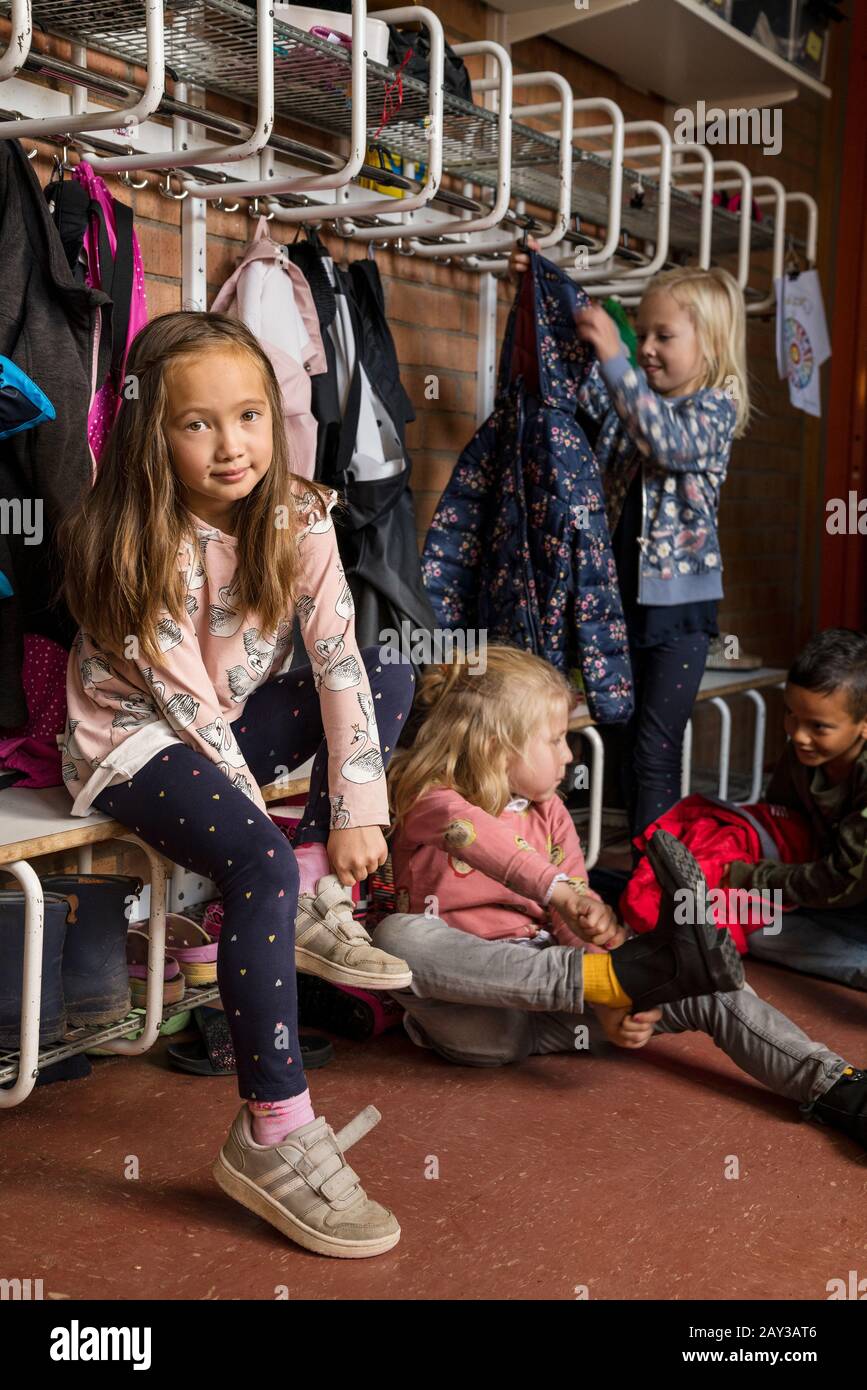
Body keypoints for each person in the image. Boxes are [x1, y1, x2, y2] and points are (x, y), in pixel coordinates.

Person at [56, 310, 415, 1258]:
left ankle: (304, 888)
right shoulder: (123, 539)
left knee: (385, 673)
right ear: (150, 435)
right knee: (260, 861)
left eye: (250, 415)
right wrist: (281, 851)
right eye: (197, 424)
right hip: (133, 741)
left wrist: (355, 816)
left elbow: (336, 659)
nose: (232, 446)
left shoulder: (297, 514)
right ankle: (275, 1130)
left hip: (217, 728)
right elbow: (186, 710)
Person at [374, 648, 867, 1153]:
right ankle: (613, 979)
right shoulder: (429, 800)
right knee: (395, 938)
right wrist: (564, 900)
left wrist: (609, 986)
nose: (569, 754)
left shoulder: (552, 814)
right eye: (555, 739)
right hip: (476, 1014)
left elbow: (568, 918)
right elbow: (476, 836)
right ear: (501, 745)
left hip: (559, 995)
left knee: (705, 980)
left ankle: (838, 1088)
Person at [510, 242, 750, 842]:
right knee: (606, 741)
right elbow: (583, 381)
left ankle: (658, 895)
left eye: (663, 336)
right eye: (641, 335)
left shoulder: (712, 410)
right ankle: (601, 873)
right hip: (615, 605)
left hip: (678, 615)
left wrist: (618, 357)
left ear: (710, 345)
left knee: (654, 753)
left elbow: (663, 441)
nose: (644, 348)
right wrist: (549, 290)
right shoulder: (629, 400)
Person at [726, 628, 867, 990]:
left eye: (818, 726)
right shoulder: (800, 758)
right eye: (791, 715)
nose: (798, 735)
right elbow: (780, 824)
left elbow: (843, 881)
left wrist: (754, 879)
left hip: (847, 889)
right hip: (836, 897)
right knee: (761, 931)